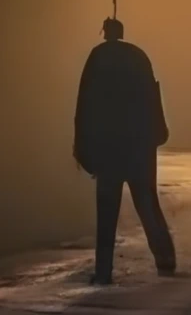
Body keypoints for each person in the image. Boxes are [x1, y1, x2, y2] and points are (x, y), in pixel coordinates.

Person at [73, 17, 176, 283]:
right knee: (147, 202)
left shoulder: (97, 58)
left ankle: (104, 270)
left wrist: (82, 144)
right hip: (140, 143)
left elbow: (84, 104)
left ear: (105, 33)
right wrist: (157, 133)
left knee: (107, 210)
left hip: (108, 146)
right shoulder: (138, 56)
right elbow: (153, 96)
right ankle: (165, 258)